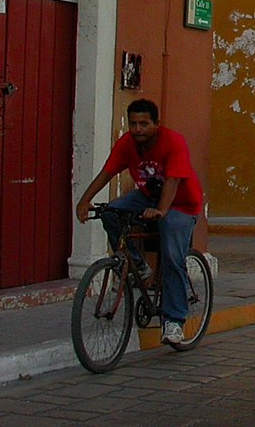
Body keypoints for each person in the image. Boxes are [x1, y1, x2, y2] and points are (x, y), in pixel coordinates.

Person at [76, 99, 204, 347]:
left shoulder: (174, 142)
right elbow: (107, 172)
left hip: (180, 203)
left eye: (144, 124)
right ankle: (137, 265)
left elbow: (173, 182)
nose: (137, 129)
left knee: (171, 255)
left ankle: (175, 321)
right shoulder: (127, 144)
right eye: (133, 124)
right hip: (147, 197)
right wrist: (84, 200)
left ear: (156, 124)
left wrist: (160, 211)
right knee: (110, 213)